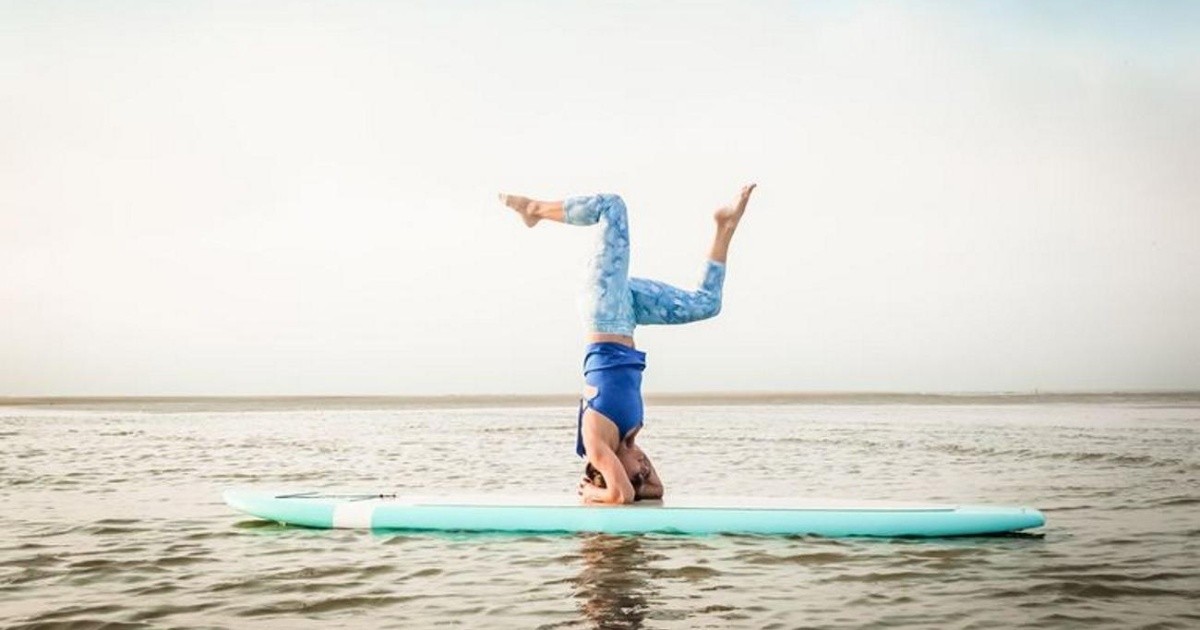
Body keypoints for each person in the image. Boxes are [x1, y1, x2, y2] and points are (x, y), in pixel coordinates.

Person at [498, 184, 756, 504]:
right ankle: (724, 226)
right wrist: (639, 483)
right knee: (707, 304)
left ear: (614, 467)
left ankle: (533, 210)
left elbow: (622, 494)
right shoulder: (629, 434)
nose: (646, 466)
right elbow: (654, 490)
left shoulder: (596, 444)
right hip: (627, 311)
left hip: (603, 307)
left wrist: (595, 491)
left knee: (612, 207)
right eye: (647, 470)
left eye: (640, 470)